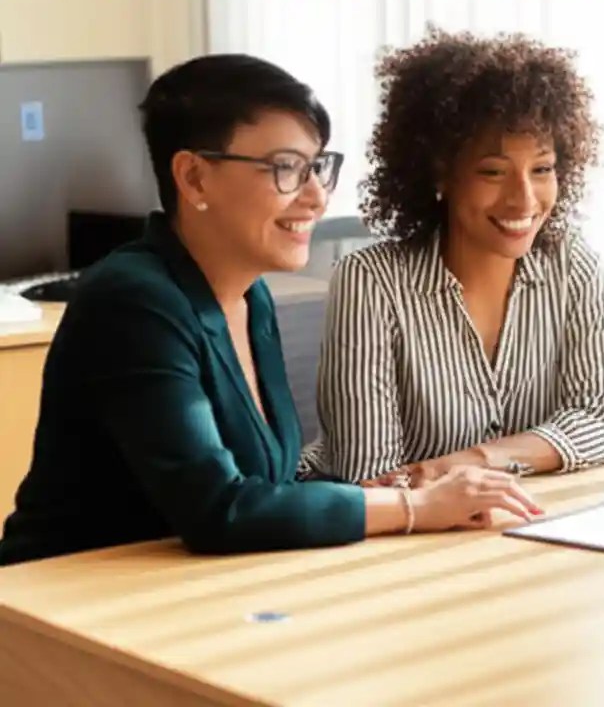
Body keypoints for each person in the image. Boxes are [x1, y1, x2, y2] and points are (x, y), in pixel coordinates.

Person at [0, 54, 539, 567]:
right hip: (54, 604)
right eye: (285, 168)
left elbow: (265, 485)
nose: (316, 197)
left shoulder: (248, 293)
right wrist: (413, 510)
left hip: (183, 585)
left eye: (317, 168)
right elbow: (218, 508)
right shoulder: (134, 300)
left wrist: (368, 493)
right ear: (193, 178)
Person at [304, 25, 604, 486]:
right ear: (441, 171)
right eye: (493, 171)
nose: (524, 200)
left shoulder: (570, 262)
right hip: (383, 536)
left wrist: (478, 461)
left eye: (541, 169)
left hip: (504, 523)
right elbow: (373, 477)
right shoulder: (370, 281)